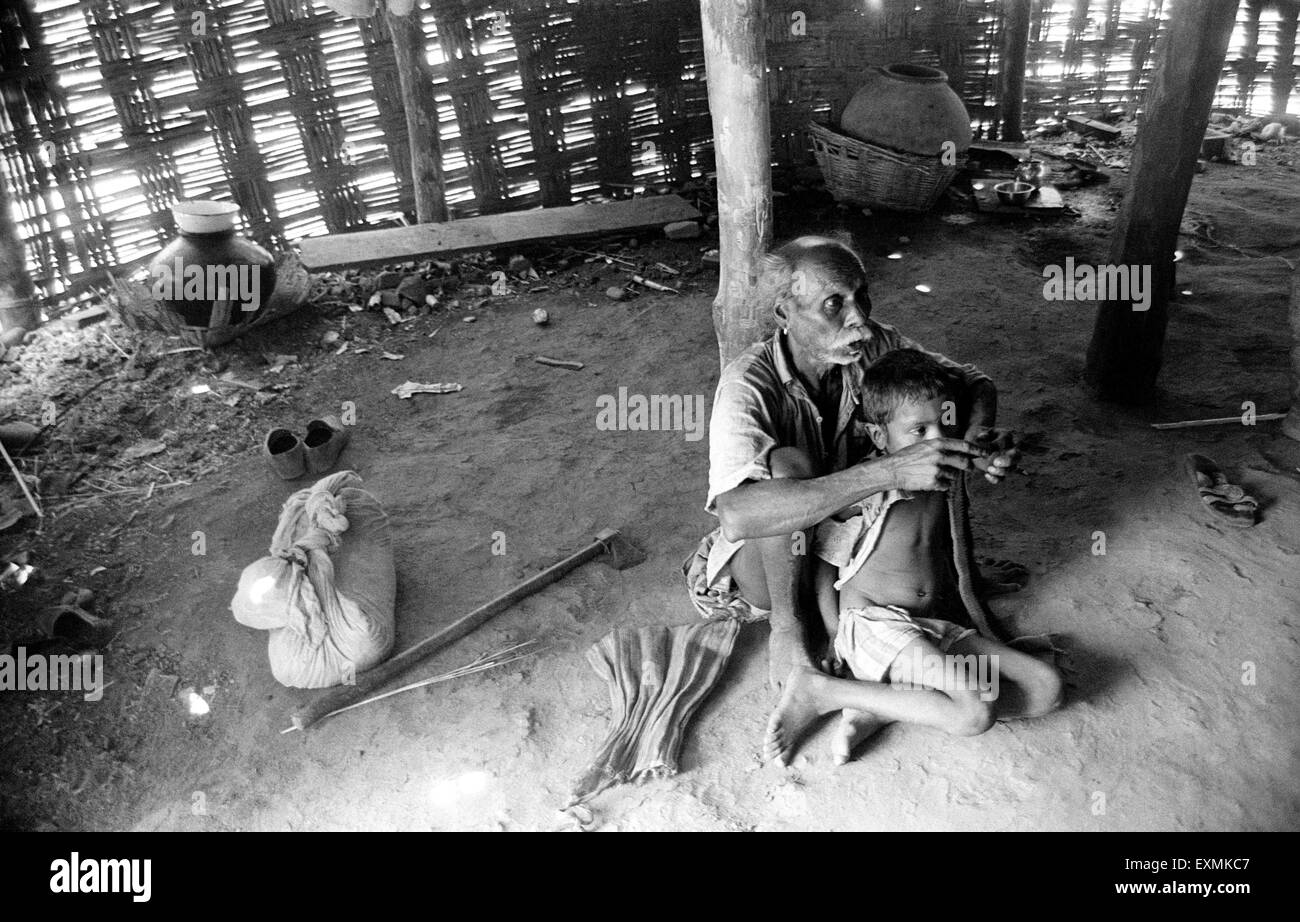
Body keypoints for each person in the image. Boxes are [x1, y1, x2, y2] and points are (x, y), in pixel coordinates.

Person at [683, 235, 1019, 693]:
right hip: (772, 562)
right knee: (789, 465)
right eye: (833, 304)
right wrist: (890, 470)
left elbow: (972, 383)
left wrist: (975, 437)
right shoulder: (748, 384)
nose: (857, 318)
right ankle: (788, 628)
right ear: (784, 313)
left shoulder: (872, 344)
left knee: (927, 437)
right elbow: (738, 515)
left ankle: (953, 575)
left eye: (861, 296)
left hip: (844, 543)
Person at [765, 349, 1064, 766]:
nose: (935, 442)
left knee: (1046, 686)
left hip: (930, 624)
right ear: (879, 437)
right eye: (918, 431)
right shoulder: (867, 488)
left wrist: (997, 455)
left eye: (945, 424)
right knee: (974, 712)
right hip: (874, 625)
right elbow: (824, 563)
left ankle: (886, 704)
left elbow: (953, 528)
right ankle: (820, 692)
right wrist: (836, 634)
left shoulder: (947, 472)